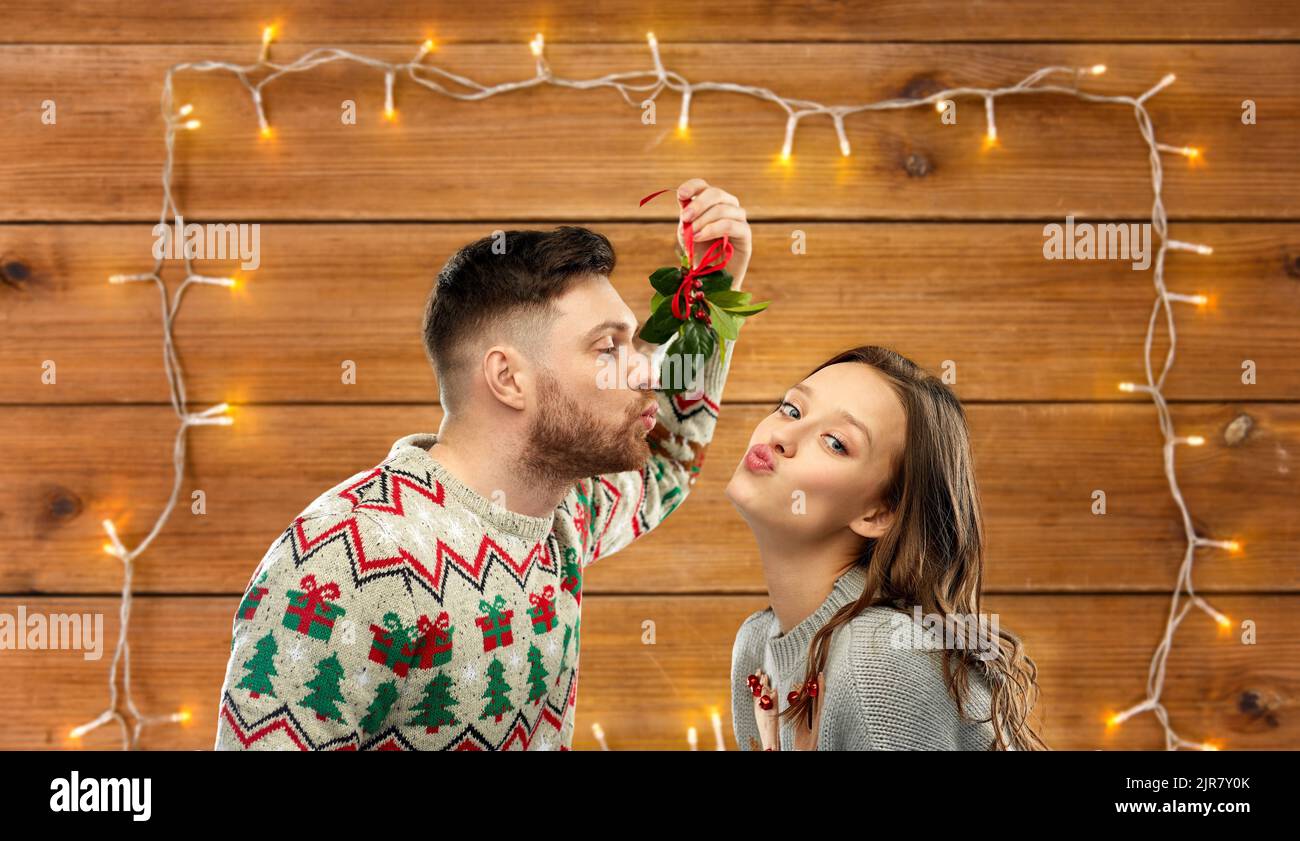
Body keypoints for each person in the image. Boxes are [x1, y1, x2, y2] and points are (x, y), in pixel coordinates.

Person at [215, 178, 753, 750]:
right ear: (508, 379)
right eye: (607, 348)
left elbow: (666, 461)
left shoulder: (561, 516)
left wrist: (712, 292)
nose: (647, 373)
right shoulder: (343, 558)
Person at [726, 346, 1049, 750]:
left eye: (835, 442)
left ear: (878, 513)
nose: (782, 436)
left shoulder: (879, 659)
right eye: (792, 409)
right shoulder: (756, 645)